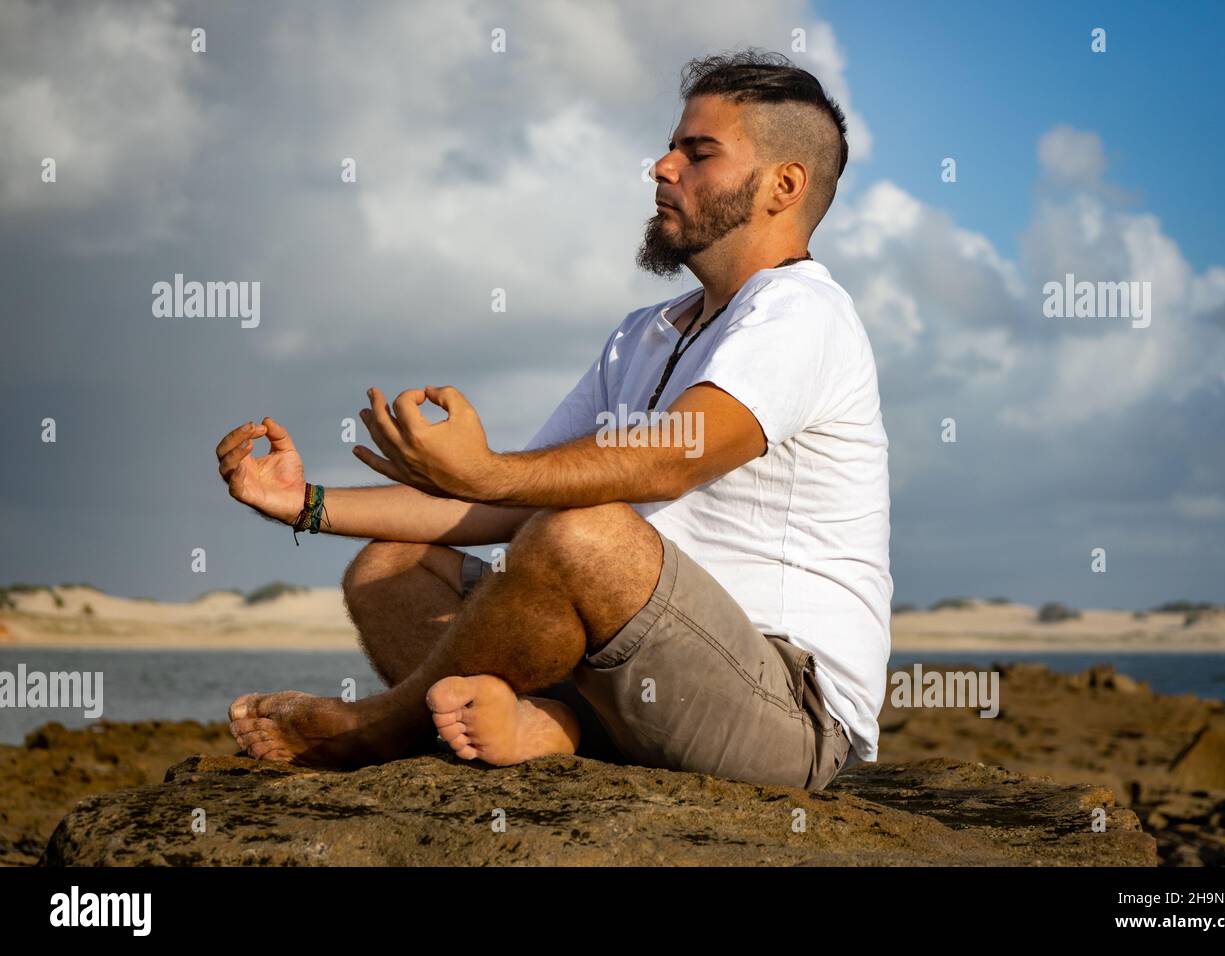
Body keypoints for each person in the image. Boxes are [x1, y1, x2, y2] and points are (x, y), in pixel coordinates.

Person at [217, 50, 891, 791]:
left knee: (584, 533)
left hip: (785, 710)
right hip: (631, 666)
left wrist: (487, 470)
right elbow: (514, 497)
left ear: (783, 185)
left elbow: (675, 457)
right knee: (393, 563)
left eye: (697, 153)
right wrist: (305, 503)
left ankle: (376, 728)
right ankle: (552, 724)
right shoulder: (646, 332)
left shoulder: (804, 313)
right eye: (671, 148)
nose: (662, 168)